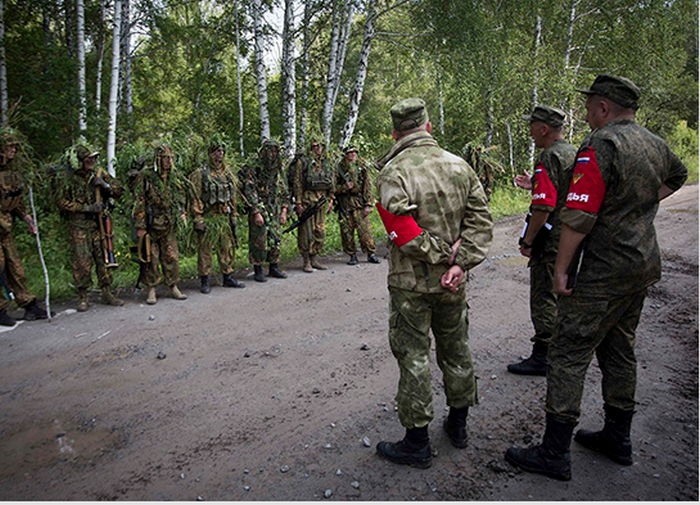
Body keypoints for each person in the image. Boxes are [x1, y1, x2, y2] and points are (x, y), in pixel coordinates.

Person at [505, 75, 688, 481]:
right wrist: (636, 202)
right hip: (640, 265)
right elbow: (677, 174)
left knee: (569, 352)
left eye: (590, 106)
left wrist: (560, 269)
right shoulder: (653, 143)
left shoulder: (601, 144)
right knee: (619, 349)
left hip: (602, 270)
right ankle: (617, 438)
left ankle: (554, 452)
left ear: (604, 107)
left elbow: (579, 215)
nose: (586, 113)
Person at [374, 98, 493, 468]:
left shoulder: (392, 172)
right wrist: (459, 262)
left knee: (413, 358)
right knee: (456, 349)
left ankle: (417, 443)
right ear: (427, 127)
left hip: (411, 285)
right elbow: (482, 222)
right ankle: (458, 426)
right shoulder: (460, 166)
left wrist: (442, 256)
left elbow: (403, 234)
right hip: (452, 284)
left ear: (395, 132)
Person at [508, 106, 577, 376]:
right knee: (563, 298)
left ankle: (544, 357)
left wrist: (528, 240)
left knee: (544, 299)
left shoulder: (548, 157)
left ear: (544, 128)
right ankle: (563, 350)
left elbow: (544, 207)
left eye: (532, 125)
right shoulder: (574, 153)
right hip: (572, 238)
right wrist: (534, 184)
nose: (530, 131)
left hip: (551, 243)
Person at [55, 140, 124, 312]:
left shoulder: (99, 174)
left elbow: (119, 190)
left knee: (104, 258)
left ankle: (106, 292)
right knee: (82, 261)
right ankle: (83, 296)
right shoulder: (68, 179)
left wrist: (106, 186)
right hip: (78, 226)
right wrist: (86, 208)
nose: (92, 163)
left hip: (99, 225)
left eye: (93, 159)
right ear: (79, 161)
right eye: (88, 160)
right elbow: (61, 202)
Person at [0, 128, 50, 325]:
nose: (13, 150)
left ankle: (28, 305)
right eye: (10, 146)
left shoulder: (11, 173)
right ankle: (1, 309)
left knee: (16, 267)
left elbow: (16, 201)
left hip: (7, 230)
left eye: (15, 147)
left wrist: (28, 219)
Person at [131, 143, 188, 305]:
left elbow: (179, 195)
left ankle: (173, 286)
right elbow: (139, 201)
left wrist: (181, 212)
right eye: (165, 159)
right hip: (151, 223)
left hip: (168, 222)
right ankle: (151, 290)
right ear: (158, 159)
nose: (168, 162)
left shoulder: (173, 176)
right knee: (151, 257)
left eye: (170, 158)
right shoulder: (146, 176)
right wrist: (140, 226)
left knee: (171, 256)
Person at [189, 137, 245, 293]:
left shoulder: (227, 174)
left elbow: (233, 196)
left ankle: (228, 277)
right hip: (208, 217)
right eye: (216, 151)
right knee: (205, 251)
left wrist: (234, 214)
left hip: (223, 217)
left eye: (222, 151)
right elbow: (196, 196)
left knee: (226, 249)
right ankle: (205, 280)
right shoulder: (201, 174)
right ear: (210, 153)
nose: (219, 154)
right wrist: (198, 217)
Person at [240, 139, 289, 283]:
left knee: (275, 238)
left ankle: (274, 267)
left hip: (274, 207)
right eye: (270, 151)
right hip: (260, 206)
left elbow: (284, 189)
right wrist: (256, 211)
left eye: (275, 151)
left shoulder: (279, 169)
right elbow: (250, 190)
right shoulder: (254, 168)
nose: (272, 154)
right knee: (258, 239)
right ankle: (258, 269)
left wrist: (284, 210)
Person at [292, 138, 334, 273]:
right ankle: (306, 261)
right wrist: (298, 202)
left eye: (320, 146)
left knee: (319, 231)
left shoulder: (326, 162)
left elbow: (331, 181)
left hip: (321, 201)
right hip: (307, 202)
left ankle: (314, 257)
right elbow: (297, 182)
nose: (318, 149)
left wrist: (331, 199)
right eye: (315, 146)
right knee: (306, 233)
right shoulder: (304, 162)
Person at [334, 145, 380, 265]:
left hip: (359, 203)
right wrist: (344, 188)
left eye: (355, 152)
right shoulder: (339, 168)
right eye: (350, 153)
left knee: (365, 231)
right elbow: (332, 187)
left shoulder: (362, 167)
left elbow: (368, 186)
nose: (353, 154)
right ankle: (352, 255)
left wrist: (369, 204)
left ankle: (371, 253)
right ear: (345, 154)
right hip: (344, 204)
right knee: (346, 231)